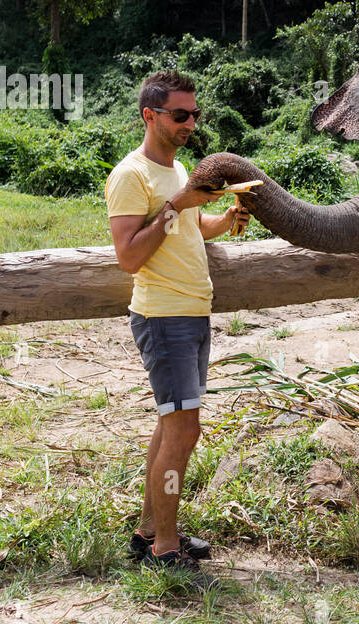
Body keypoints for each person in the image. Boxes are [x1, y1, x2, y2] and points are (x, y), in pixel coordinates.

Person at [105, 70, 251, 569]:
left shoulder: (177, 168)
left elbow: (188, 227)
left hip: (191, 313)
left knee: (171, 428)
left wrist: (223, 219)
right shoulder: (131, 176)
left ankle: (149, 533)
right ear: (151, 115)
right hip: (163, 317)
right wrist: (179, 203)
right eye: (180, 115)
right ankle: (165, 547)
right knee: (184, 432)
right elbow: (128, 256)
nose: (191, 122)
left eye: (195, 114)